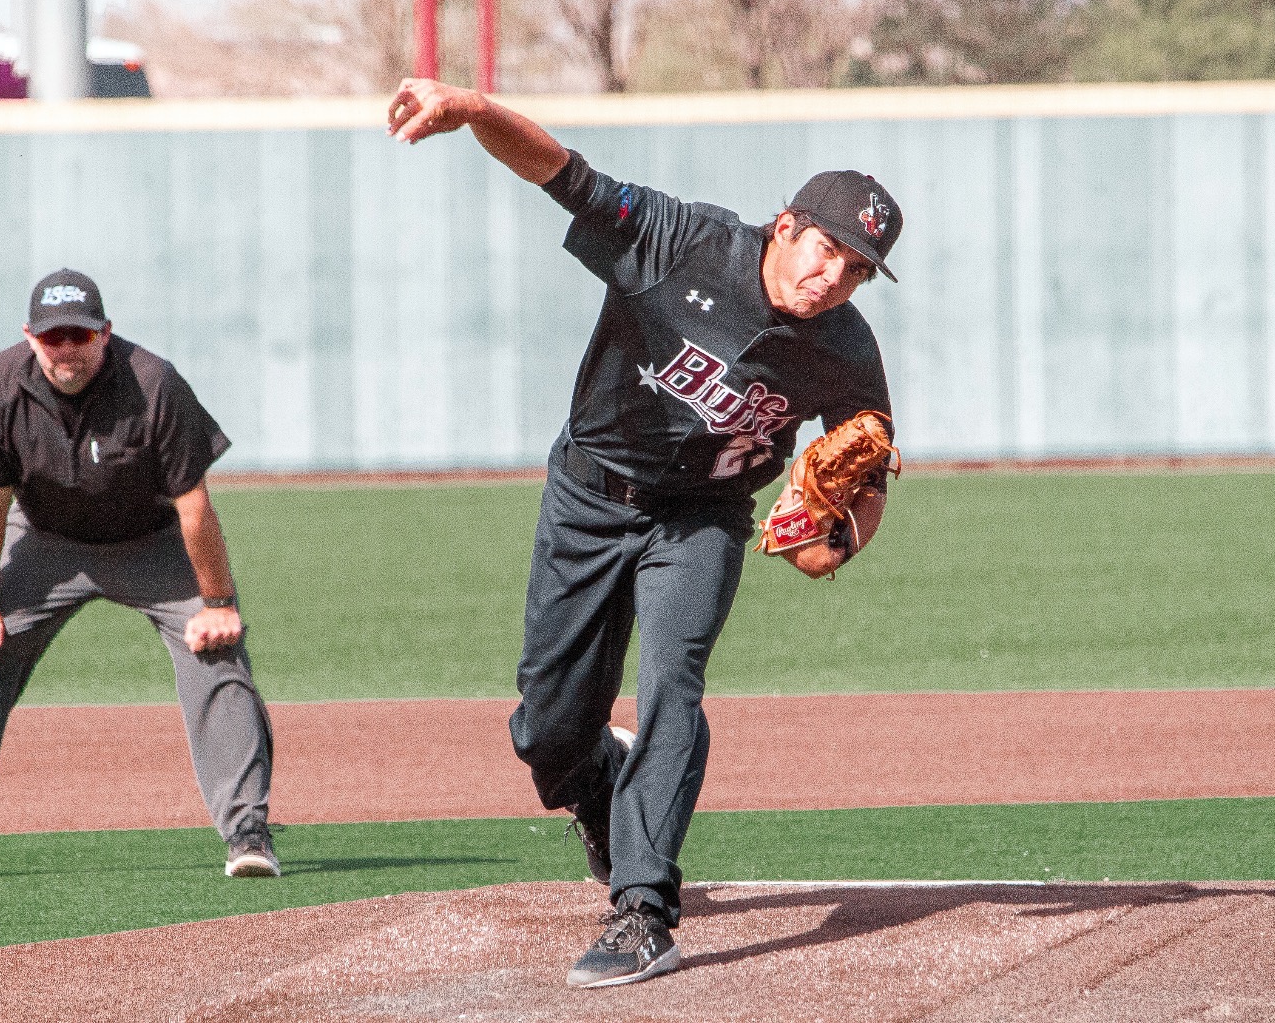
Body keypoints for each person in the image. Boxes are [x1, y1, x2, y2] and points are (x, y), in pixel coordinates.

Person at [387, 79, 903, 988]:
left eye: (858, 269)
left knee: (674, 679)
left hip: (703, 516)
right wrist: (472, 109)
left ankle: (644, 910)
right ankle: (597, 782)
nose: (834, 277)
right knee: (548, 728)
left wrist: (845, 539)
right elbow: (562, 174)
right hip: (590, 495)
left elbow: (867, 467)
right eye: (828, 248)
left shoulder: (845, 346)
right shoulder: (679, 241)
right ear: (785, 227)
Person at [0, 269, 281, 882]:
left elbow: (194, 506)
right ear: (30, 336)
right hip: (46, 541)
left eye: (78, 335)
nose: (65, 349)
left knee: (215, 648)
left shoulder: (153, 384)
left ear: (105, 333)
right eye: (52, 337)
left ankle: (248, 832)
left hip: (149, 541)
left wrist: (217, 601)